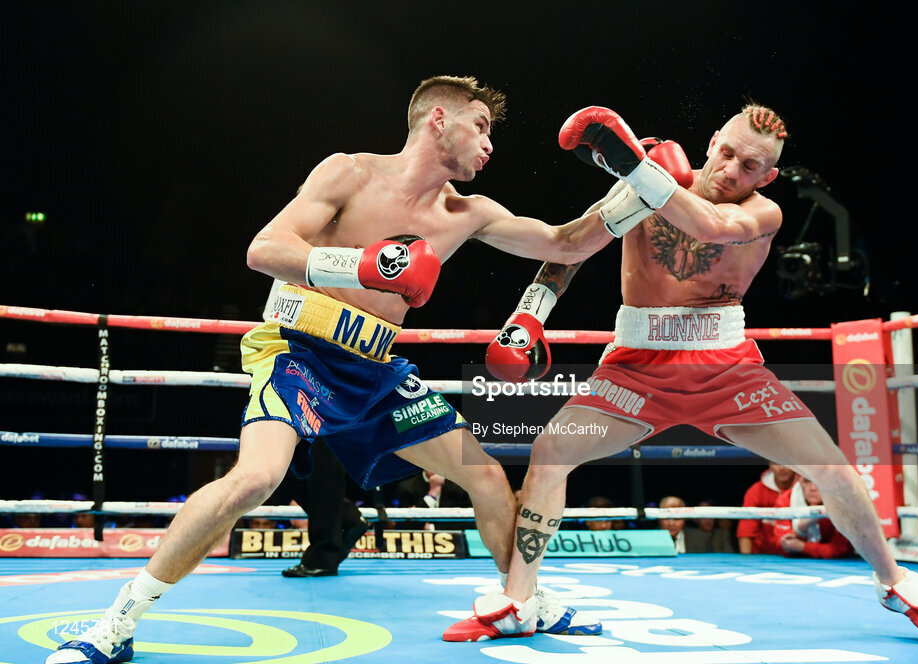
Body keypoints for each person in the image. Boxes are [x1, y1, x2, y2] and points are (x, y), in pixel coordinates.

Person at [46, 75, 617, 664]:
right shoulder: (350, 172)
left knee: (489, 477)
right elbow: (264, 248)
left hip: (376, 370)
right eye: (481, 125)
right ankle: (116, 623)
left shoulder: (468, 212)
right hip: (300, 353)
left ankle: (526, 600)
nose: (490, 144)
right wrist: (365, 265)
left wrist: (638, 184)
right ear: (438, 120)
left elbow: (564, 244)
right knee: (255, 478)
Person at [445, 103, 918, 642]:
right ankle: (519, 601)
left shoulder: (764, 213)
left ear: (768, 176)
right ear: (713, 140)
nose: (731, 168)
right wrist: (529, 313)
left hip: (727, 371)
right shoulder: (646, 180)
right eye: (728, 151)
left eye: (749, 165)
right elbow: (572, 249)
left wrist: (629, 163)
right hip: (635, 371)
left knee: (829, 465)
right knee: (552, 450)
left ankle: (895, 582)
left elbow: (712, 227)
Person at [275, 438, 369, 577]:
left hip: (328, 422)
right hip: (305, 421)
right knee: (287, 470)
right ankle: (347, 517)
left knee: (323, 471)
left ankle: (322, 558)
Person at [773, 476, 852, 559]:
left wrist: (802, 547)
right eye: (807, 481)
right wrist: (801, 529)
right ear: (800, 482)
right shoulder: (786, 500)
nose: (813, 488)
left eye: (819, 482)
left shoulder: (840, 502)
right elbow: (784, 545)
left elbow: (840, 548)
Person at [737, 462, 796, 554]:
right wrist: (747, 564)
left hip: (799, 557)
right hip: (763, 557)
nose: (782, 467)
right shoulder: (756, 491)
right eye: (776, 462)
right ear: (769, 464)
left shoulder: (807, 488)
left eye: (786, 462)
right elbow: (746, 532)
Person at [396, 469, 471, 530]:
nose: (435, 466)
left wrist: (434, 528)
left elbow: (469, 523)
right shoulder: (407, 487)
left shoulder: (460, 487)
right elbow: (405, 525)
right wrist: (432, 495)